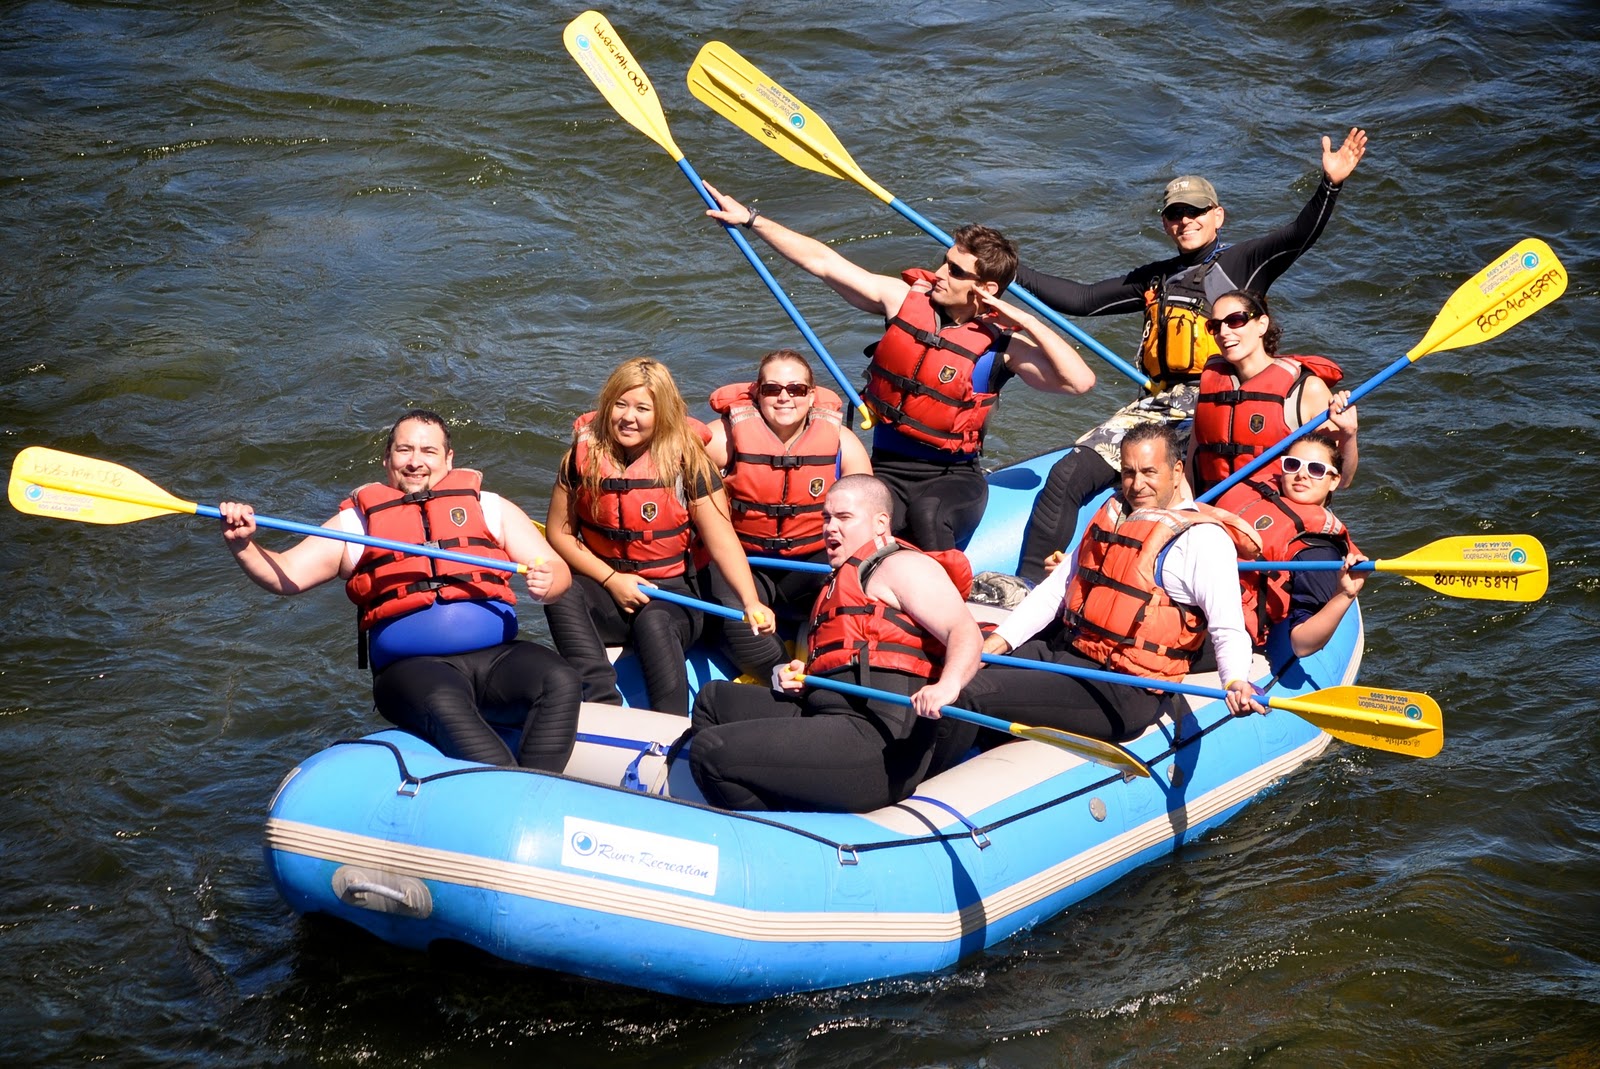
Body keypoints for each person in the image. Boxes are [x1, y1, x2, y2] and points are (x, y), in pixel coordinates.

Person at [1013, 128, 1369, 582]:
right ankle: (1027, 585)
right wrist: (1009, 270)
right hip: (1157, 404)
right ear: (1166, 224)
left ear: (1217, 215)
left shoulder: (1242, 263)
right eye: (1175, 214)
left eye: (1196, 211)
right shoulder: (1156, 278)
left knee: (1151, 498)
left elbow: (1299, 236)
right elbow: (1081, 299)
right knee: (1067, 475)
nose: (1185, 221)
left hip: (1213, 404)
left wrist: (1330, 184)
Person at [703, 182, 1096, 550]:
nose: (939, 274)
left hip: (953, 479)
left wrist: (1024, 319)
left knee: (928, 515)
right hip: (887, 468)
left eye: (956, 271)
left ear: (986, 289)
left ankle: (942, 594)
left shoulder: (1003, 346)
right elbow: (824, 263)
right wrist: (752, 220)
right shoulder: (901, 300)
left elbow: (1080, 382)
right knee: (850, 521)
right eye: (944, 262)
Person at [217, 410, 581, 770]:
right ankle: (509, 783)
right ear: (386, 459)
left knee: (561, 680)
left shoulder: (489, 508)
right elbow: (287, 574)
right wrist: (243, 545)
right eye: (404, 450)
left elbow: (556, 568)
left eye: (428, 451)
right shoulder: (356, 524)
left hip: (497, 660)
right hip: (414, 672)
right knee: (445, 702)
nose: (415, 462)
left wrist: (550, 582)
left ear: (448, 459)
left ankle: (539, 784)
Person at [688, 475, 983, 812]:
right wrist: (805, 676)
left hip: (877, 744)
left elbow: (965, 632)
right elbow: (852, 655)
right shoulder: (839, 581)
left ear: (880, 524)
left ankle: (776, 828)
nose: (830, 528)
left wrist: (948, 686)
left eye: (844, 517)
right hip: (826, 716)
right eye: (826, 518)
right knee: (712, 699)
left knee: (711, 752)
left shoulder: (900, 566)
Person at [960, 423, 1264, 741]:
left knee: (969, 691)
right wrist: (997, 643)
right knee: (956, 667)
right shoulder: (1116, 514)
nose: (1137, 485)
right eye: (1129, 472)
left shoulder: (1202, 540)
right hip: (1071, 652)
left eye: (1149, 472)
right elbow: (1054, 591)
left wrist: (1234, 681)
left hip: (1122, 690)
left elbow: (1228, 628)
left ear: (1176, 472)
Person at [543, 357, 775, 715]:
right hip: (609, 591)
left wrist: (750, 601)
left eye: (642, 408)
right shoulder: (581, 457)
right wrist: (612, 580)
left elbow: (722, 541)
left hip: (675, 597)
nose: (628, 417)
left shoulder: (688, 462)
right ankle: (600, 702)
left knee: (654, 622)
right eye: (620, 404)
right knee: (559, 589)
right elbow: (559, 534)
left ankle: (671, 724)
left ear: (662, 412)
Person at [701, 348, 873, 680]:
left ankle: (822, 660)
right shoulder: (724, 438)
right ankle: (784, 678)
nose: (784, 398)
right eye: (772, 389)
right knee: (743, 634)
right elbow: (667, 471)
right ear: (757, 393)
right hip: (744, 563)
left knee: (855, 612)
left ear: (811, 395)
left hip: (811, 567)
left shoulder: (842, 443)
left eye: (796, 389)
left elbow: (867, 519)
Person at [1189, 289, 1358, 494]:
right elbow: (1190, 472)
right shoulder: (1210, 386)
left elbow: (1343, 480)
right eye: (1215, 326)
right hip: (1213, 508)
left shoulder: (1306, 390)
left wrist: (1349, 435)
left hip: (1274, 510)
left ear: (1262, 325)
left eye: (1235, 321)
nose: (1223, 332)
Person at [1216, 432, 1365, 659]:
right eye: (1293, 464)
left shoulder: (1317, 551)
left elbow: (1302, 645)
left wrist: (1345, 595)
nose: (1301, 475)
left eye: (1316, 469)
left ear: (1334, 480)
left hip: (1218, 622)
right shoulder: (1259, 489)